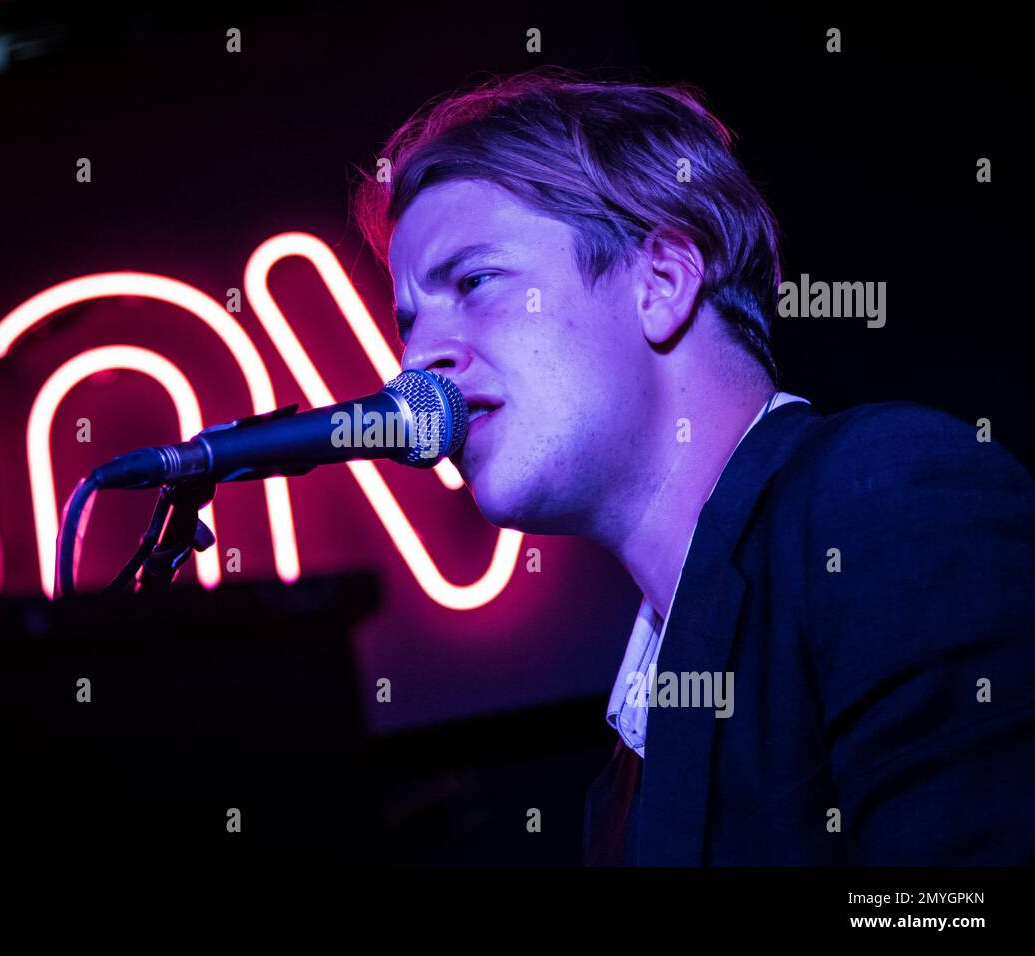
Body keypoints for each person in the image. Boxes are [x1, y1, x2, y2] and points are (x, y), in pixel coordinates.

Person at [351, 66, 1035, 865]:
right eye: (409, 323)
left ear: (663, 282)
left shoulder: (886, 494)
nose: (416, 362)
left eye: (475, 281)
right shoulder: (622, 777)